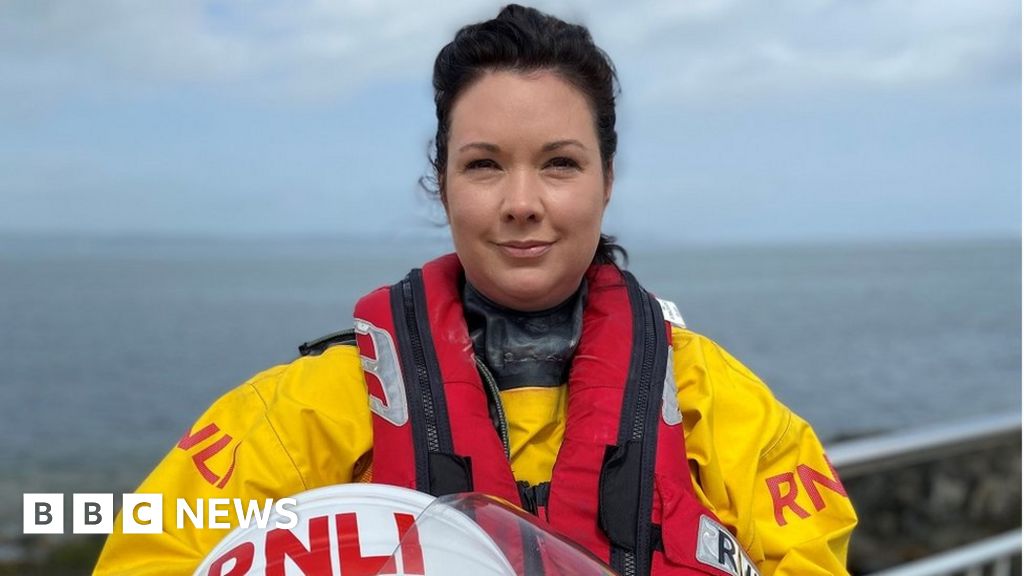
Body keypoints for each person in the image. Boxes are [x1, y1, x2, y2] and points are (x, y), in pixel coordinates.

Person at [94, 5, 857, 575]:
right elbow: (151, 547)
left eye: (559, 163)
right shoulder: (315, 407)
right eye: (485, 164)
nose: (521, 201)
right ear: (443, 183)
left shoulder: (718, 403)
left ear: (607, 181)